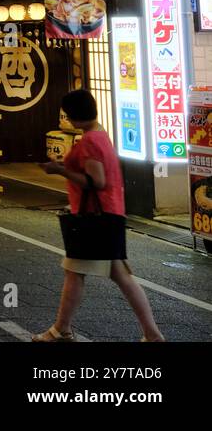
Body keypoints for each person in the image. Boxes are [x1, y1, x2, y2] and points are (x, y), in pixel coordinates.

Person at [34, 89, 164, 342]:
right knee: (118, 276)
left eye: (68, 116)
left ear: (74, 116)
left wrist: (59, 170)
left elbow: (96, 181)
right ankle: (152, 333)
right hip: (110, 214)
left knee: (75, 271)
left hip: (94, 217)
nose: (68, 120)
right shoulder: (100, 135)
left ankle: (61, 330)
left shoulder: (90, 142)